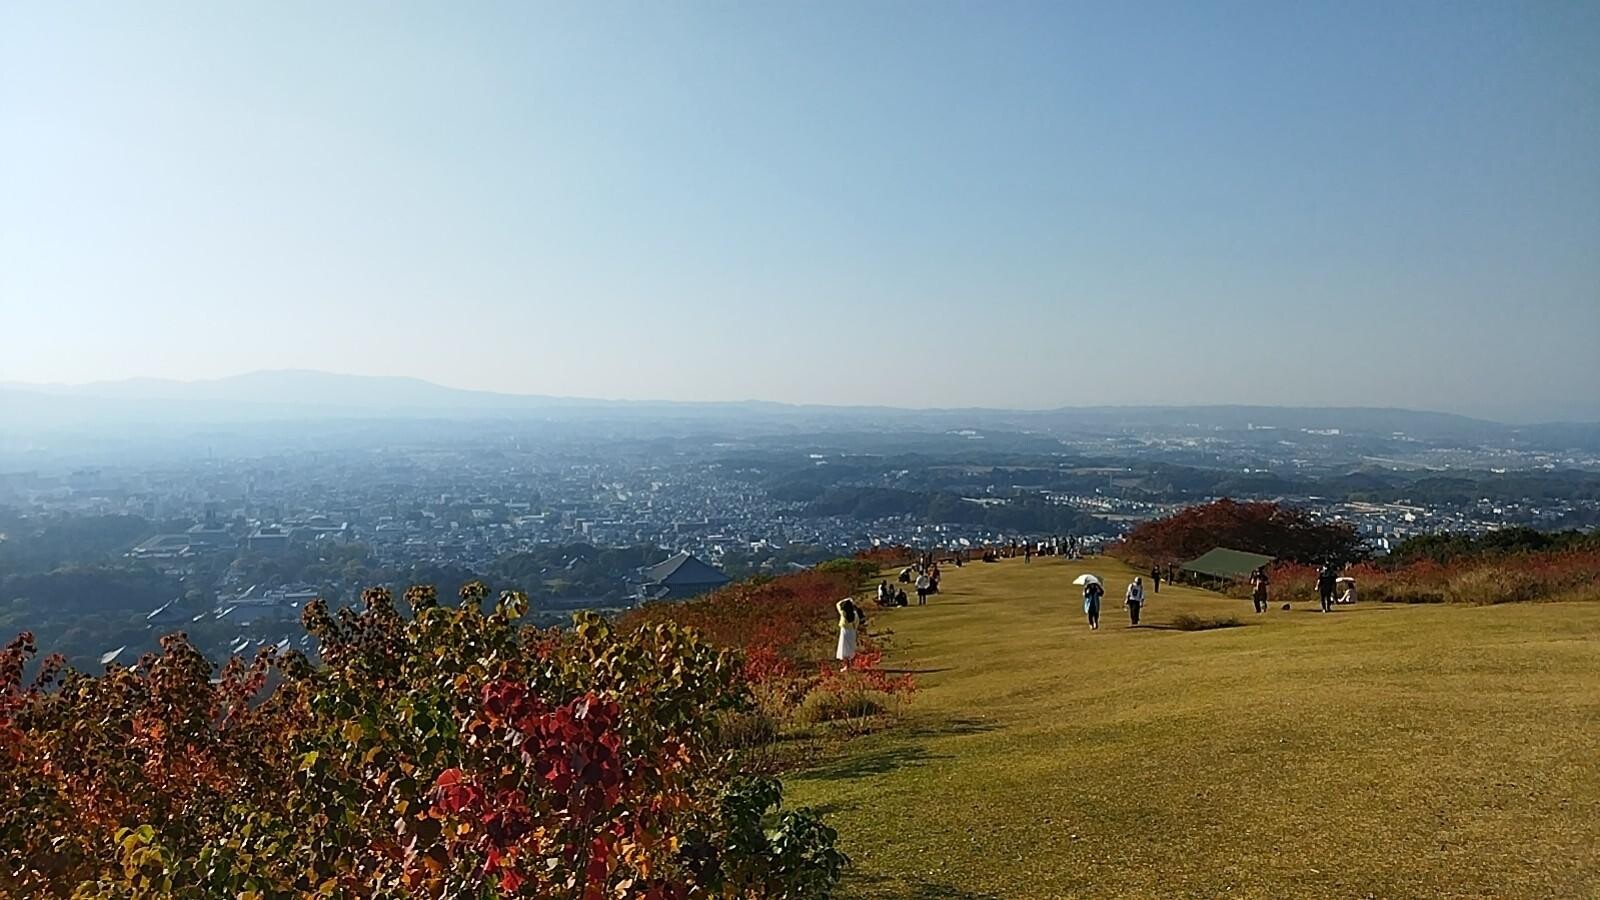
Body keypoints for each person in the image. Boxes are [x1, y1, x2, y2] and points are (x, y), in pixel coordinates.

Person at [835, 597, 865, 670]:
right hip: (852, 632)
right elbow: (857, 624)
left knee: (844, 649)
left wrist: (845, 600)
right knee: (850, 649)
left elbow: (838, 604)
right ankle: (850, 665)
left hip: (845, 632)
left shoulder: (843, 613)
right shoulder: (855, 614)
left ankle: (846, 666)